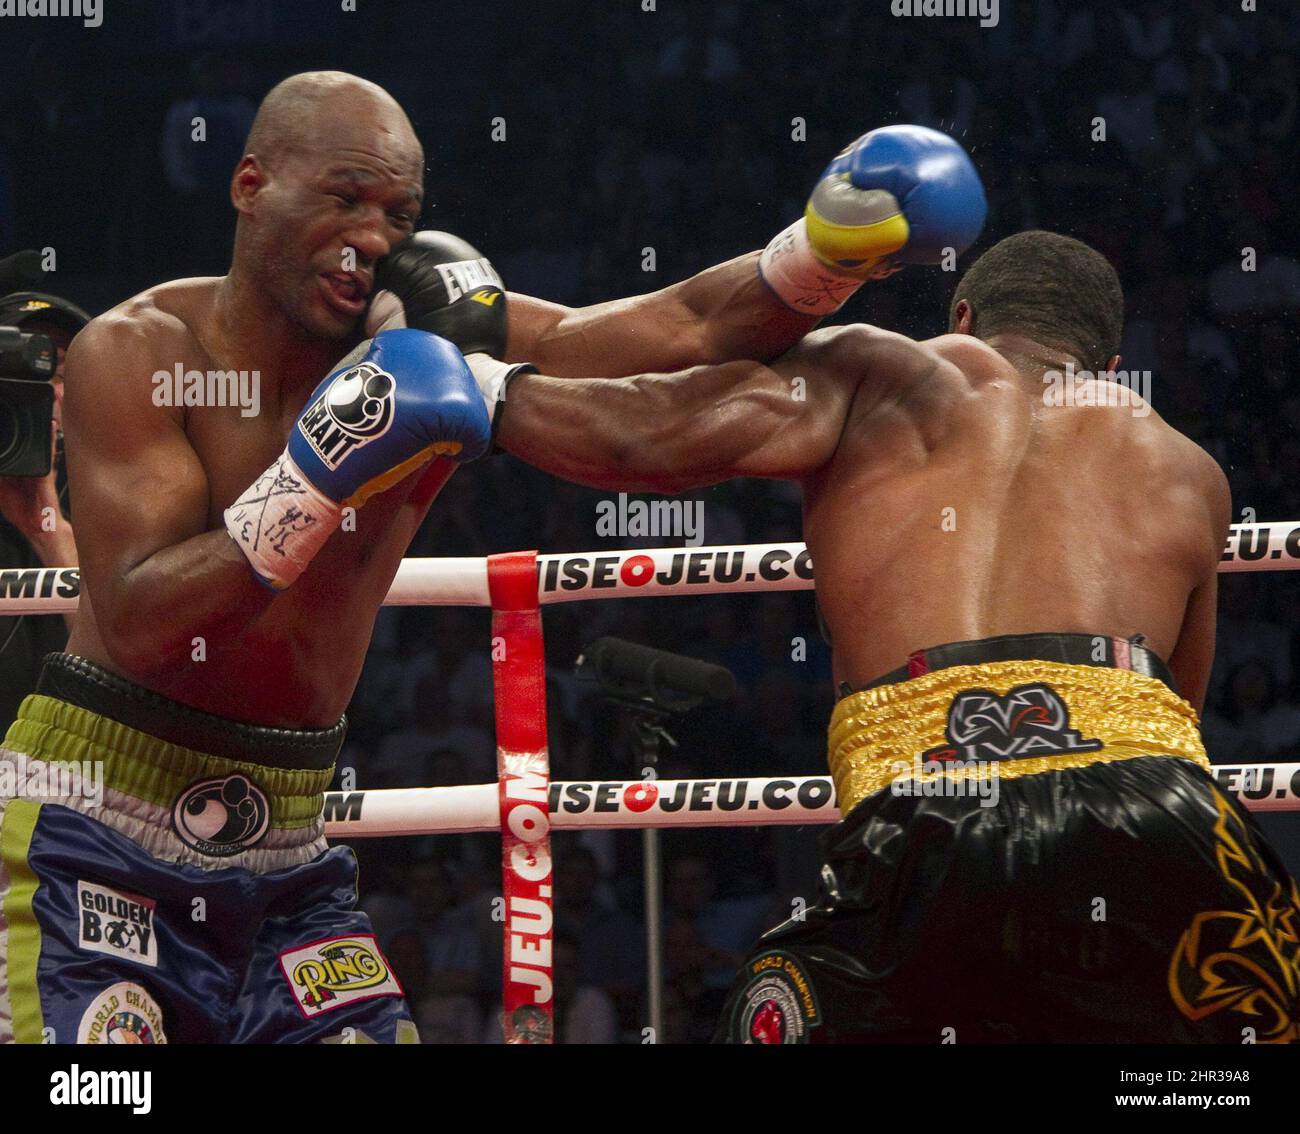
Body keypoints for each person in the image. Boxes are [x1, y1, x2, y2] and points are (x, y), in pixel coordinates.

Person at [0, 68, 890, 1044]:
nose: (373, 238)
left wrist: (820, 254)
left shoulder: (429, 333)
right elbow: (137, 616)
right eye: (345, 198)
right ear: (250, 185)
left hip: (288, 846)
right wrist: (324, 468)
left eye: (399, 212)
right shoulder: (139, 351)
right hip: (95, 830)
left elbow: (681, 333)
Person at [490, 214, 1300, 1041]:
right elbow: (1176, 713)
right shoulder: (1188, 467)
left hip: (933, 807)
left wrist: (484, 393)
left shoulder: (885, 367)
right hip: (1162, 817)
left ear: (961, 319)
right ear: (1113, 367)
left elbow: (645, 436)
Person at [0, 289, 87, 725]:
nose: (46, 394)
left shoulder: (104, 498)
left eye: (60, 371)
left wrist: (46, 527)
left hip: (60, 783)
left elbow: (123, 673)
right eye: (24, 372)